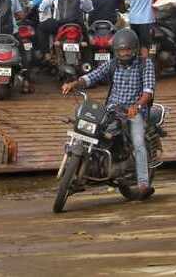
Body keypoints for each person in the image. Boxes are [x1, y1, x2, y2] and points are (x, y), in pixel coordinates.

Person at [61, 29, 156, 199]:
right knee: (86, 126)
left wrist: (138, 106)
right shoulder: (112, 64)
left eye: (128, 50)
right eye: (121, 50)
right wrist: (74, 84)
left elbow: (148, 91)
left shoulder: (145, 64)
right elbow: (92, 76)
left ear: (134, 49)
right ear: (116, 51)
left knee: (139, 143)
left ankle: (143, 182)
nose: (125, 53)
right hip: (112, 109)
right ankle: (85, 168)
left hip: (133, 111)